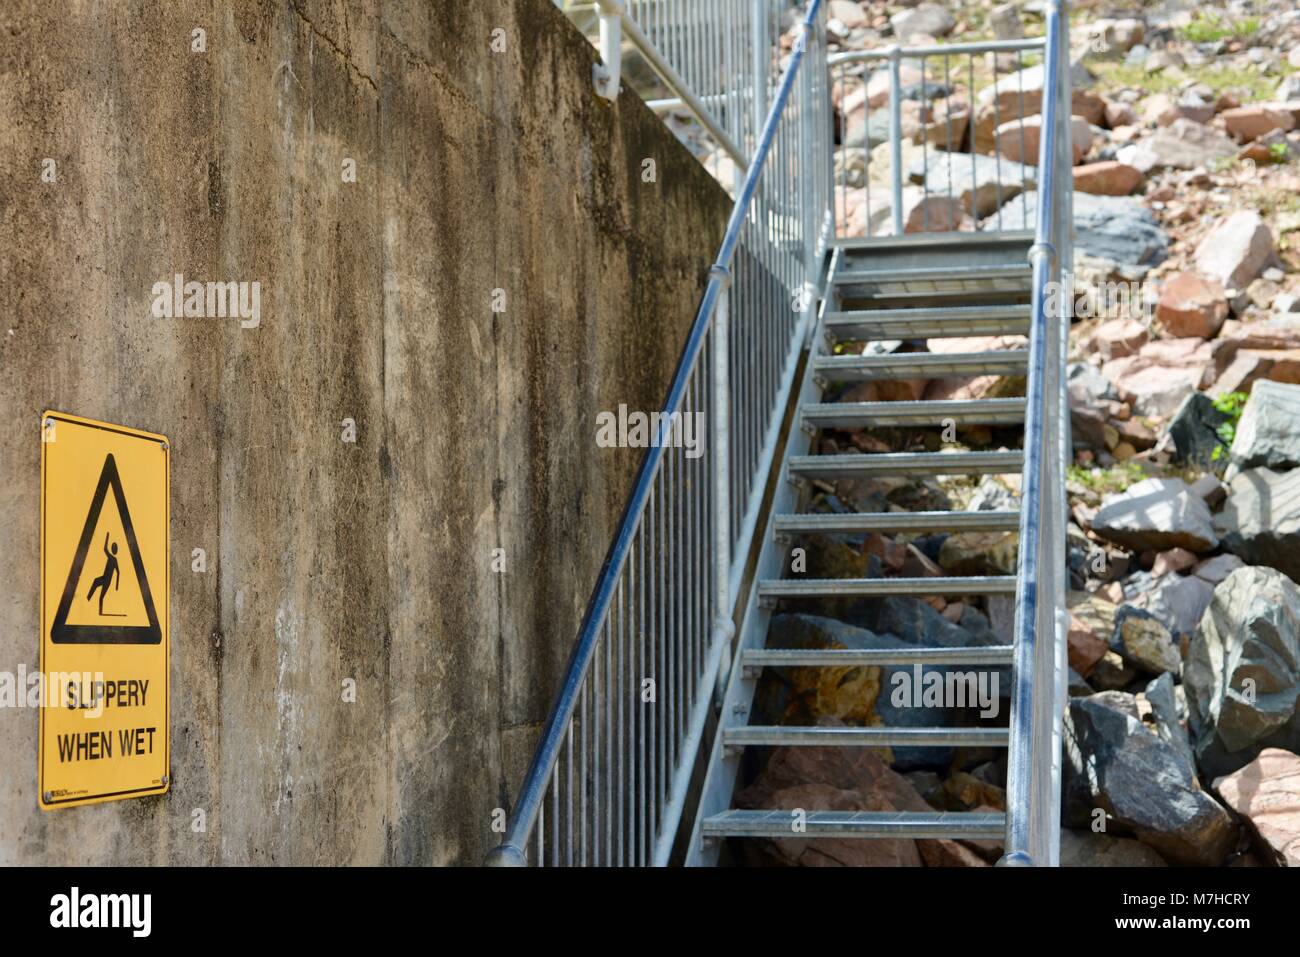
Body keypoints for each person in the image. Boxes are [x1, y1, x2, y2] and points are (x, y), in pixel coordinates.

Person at [85, 532, 120, 617]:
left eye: (113, 548)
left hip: (107, 581)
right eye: (113, 547)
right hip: (104, 578)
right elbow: (105, 549)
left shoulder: (114, 559)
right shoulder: (111, 558)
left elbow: (118, 572)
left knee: (101, 597)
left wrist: (116, 586)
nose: (113, 549)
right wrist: (107, 537)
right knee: (96, 581)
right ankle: (87, 599)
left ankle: (99, 611)